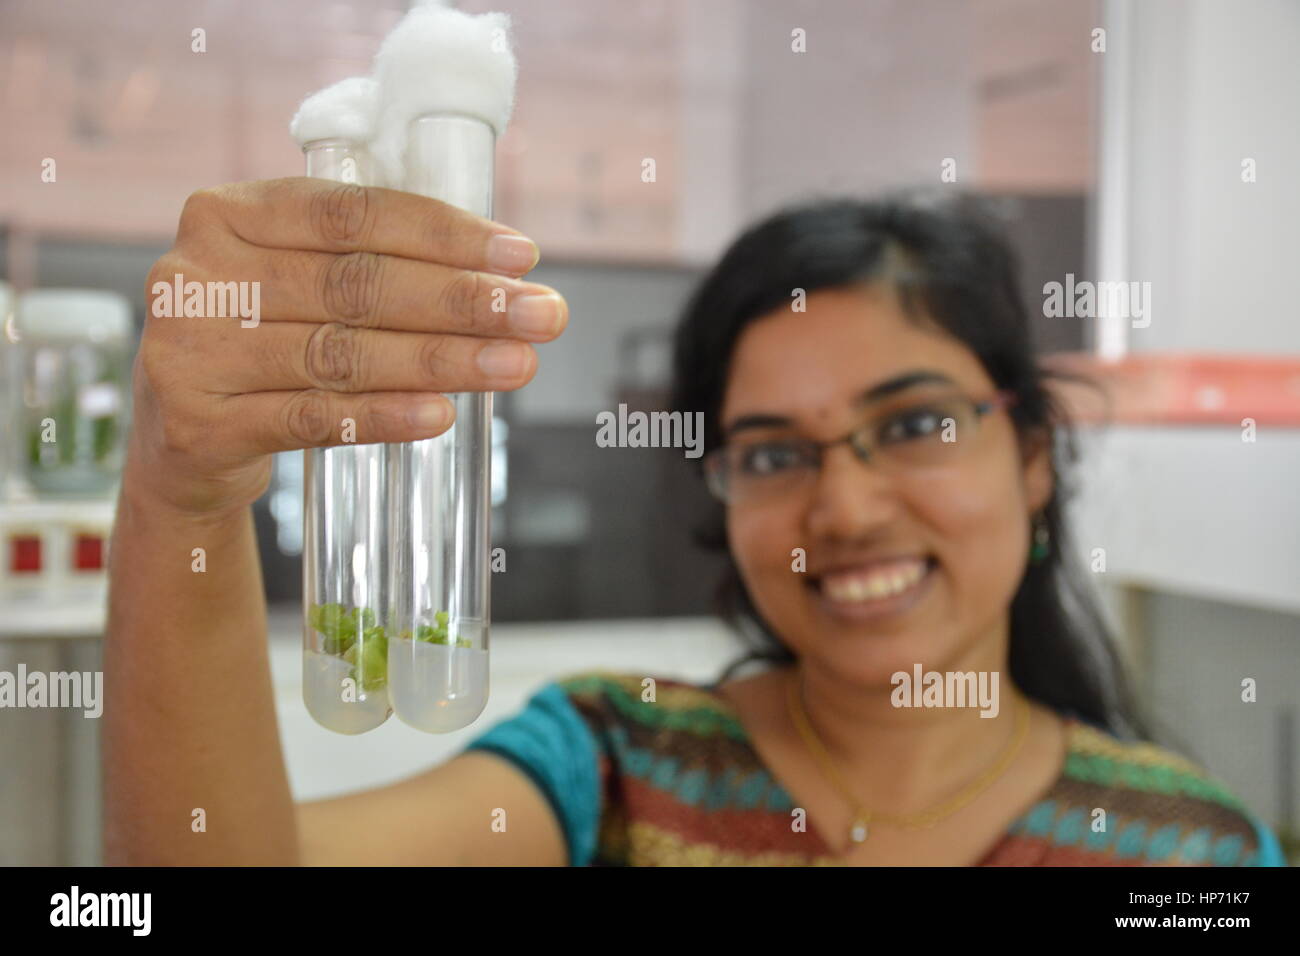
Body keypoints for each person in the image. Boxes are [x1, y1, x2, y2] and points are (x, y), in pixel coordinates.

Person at [104, 180, 1285, 867]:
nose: (848, 507)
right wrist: (180, 497)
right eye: (773, 452)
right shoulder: (619, 763)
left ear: (1031, 456)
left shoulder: (1186, 851)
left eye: (915, 423)